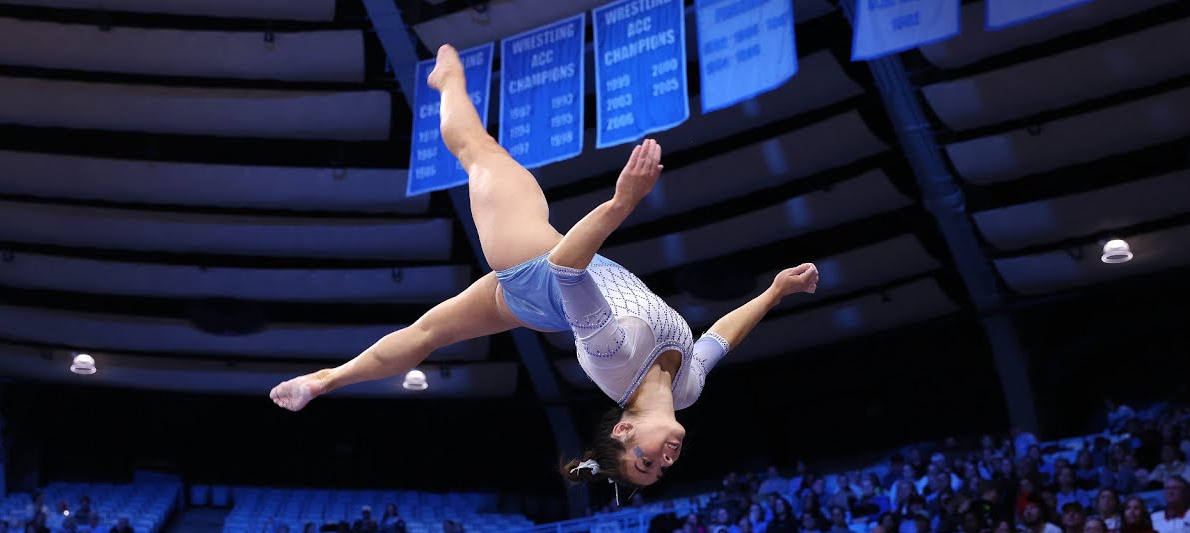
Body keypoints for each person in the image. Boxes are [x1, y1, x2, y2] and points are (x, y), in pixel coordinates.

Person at [269, 45, 820, 497]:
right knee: (428, 334)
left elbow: (565, 268)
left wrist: (622, 203)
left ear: (624, 431)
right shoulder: (687, 392)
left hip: (534, 265)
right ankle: (324, 381)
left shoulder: (615, 357)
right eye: (659, 470)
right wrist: (774, 291)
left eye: (645, 462)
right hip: (545, 304)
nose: (665, 462)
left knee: (480, 153)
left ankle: (450, 81)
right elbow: (720, 337)